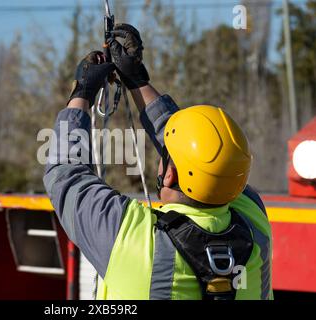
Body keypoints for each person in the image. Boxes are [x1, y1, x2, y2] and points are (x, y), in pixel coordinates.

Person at [43, 24, 272, 300]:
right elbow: (209, 158)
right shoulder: (254, 222)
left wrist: (80, 93)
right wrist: (137, 80)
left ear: (170, 175)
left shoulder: (135, 240)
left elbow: (67, 175)